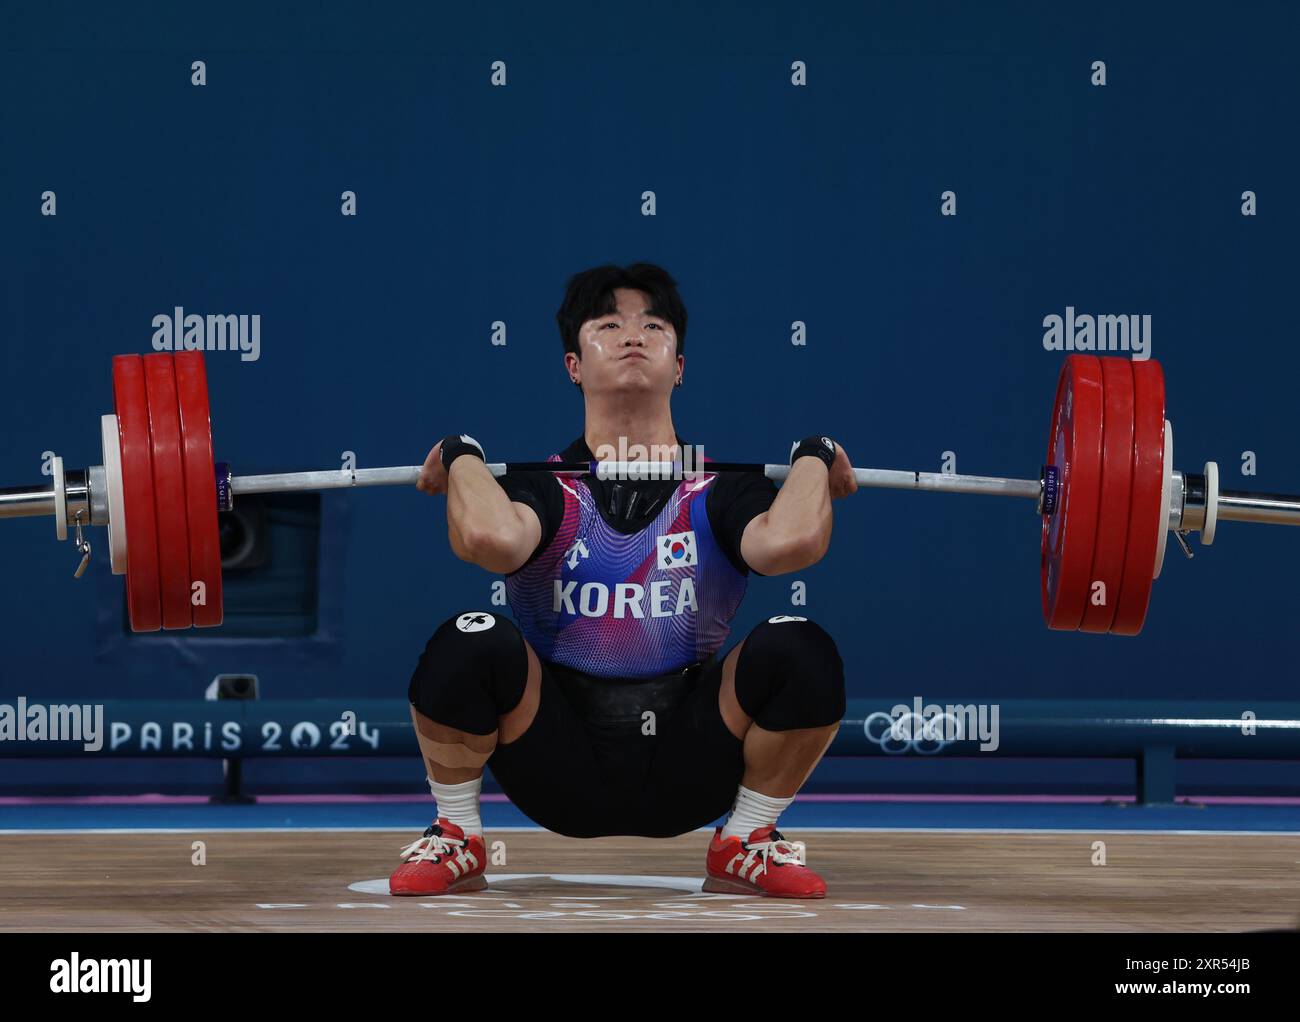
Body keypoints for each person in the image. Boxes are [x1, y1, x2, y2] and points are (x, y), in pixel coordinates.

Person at [391, 262, 857, 898]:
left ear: (680, 365)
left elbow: (791, 543)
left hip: (690, 761)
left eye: (654, 325)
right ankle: (459, 835)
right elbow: (489, 541)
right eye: (609, 324)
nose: (633, 335)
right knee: (473, 636)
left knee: (801, 644)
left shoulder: (721, 489)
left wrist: (814, 456)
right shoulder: (545, 487)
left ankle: (746, 836)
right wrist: (462, 455)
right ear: (573, 366)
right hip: (555, 758)